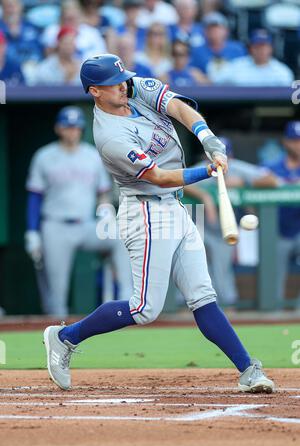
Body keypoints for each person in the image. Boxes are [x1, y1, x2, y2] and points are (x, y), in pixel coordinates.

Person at [43, 53, 275, 394]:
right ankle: (64, 337)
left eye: (121, 79)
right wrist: (206, 171)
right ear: (94, 91)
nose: (122, 86)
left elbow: (178, 107)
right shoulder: (110, 137)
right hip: (147, 212)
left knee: (202, 294)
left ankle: (248, 369)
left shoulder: (132, 87)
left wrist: (207, 138)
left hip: (175, 209)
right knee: (144, 309)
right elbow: (159, 176)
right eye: (112, 83)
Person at [25, 105, 132, 319]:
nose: (72, 131)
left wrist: (106, 215)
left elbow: (103, 193)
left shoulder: (91, 155)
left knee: (120, 237)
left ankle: (129, 301)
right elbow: (34, 196)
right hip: (55, 226)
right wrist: (32, 231)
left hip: (86, 225)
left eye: (76, 127)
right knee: (57, 291)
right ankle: (56, 330)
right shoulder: (44, 156)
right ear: (58, 128)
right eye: (68, 127)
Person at [184, 137, 278, 308]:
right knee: (191, 265)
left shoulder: (236, 168)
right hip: (199, 228)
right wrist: (204, 195)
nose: (218, 161)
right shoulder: (202, 168)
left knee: (222, 267)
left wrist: (244, 184)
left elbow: (272, 180)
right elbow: (177, 180)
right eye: (213, 157)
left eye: (223, 156)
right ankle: (188, 305)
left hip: (223, 230)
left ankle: (227, 304)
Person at [263, 121, 300, 307]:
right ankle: (273, 311)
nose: (298, 145)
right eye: (295, 140)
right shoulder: (271, 167)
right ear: (286, 142)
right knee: (274, 275)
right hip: (279, 229)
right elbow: (255, 182)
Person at [212, 29, 294, 86]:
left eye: (264, 46)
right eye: (257, 46)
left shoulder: (281, 71)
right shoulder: (236, 66)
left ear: (271, 48)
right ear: (251, 48)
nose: (261, 50)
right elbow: (215, 82)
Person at [41, 0, 107, 61]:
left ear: (80, 16)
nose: (72, 22)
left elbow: (102, 56)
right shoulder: (52, 31)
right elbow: (49, 57)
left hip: (91, 70)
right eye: (68, 18)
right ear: (62, 17)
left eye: (74, 18)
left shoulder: (92, 32)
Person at [0, 0, 42, 68]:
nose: (11, 10)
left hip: (32, 67)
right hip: (6, 68)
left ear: (20, 6)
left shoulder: (32, 27)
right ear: (2, 8)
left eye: (14, 6)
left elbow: (40, 50)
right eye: (7, 6)